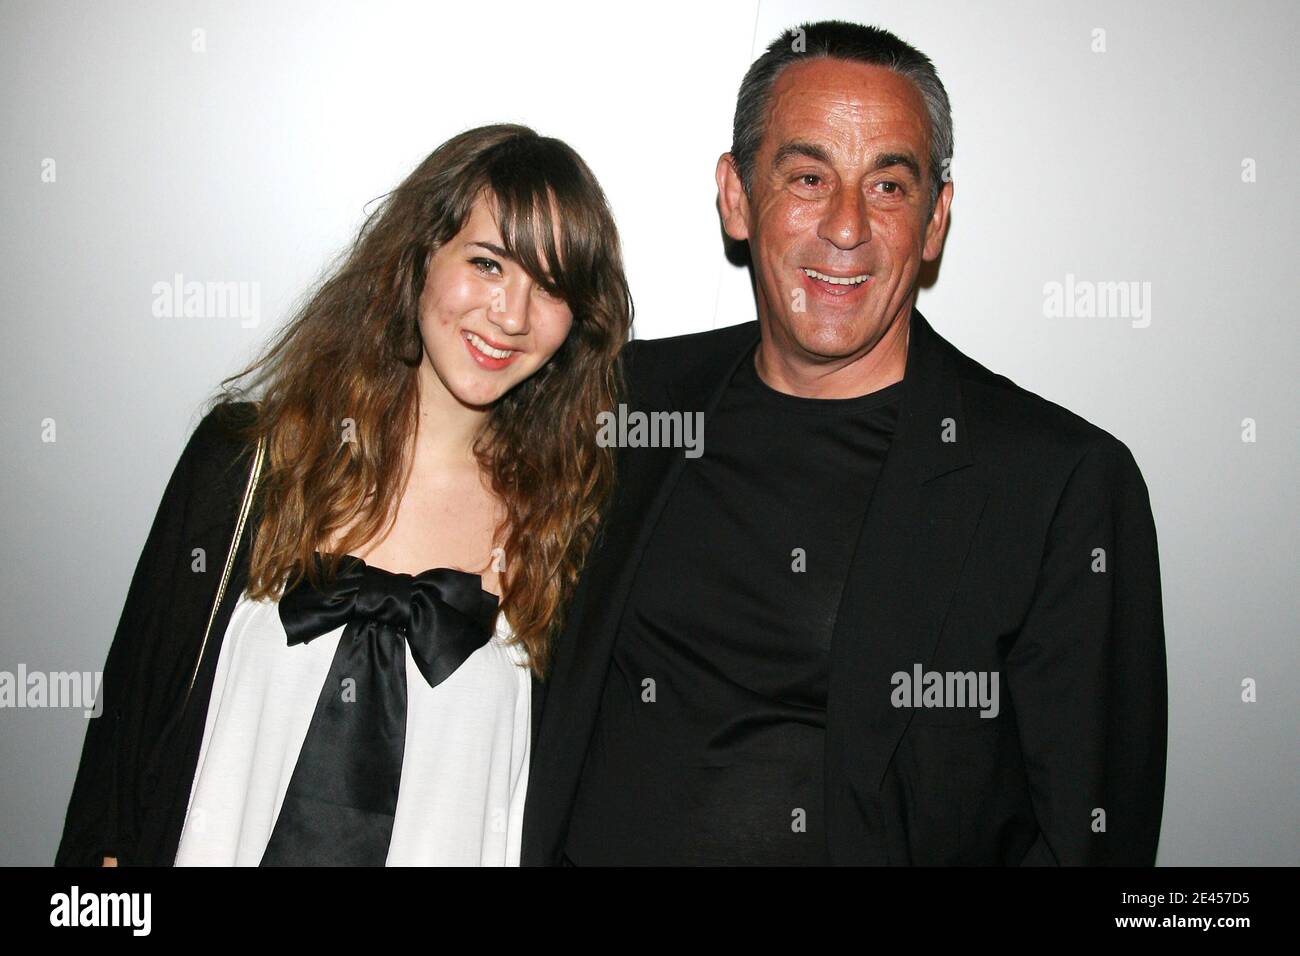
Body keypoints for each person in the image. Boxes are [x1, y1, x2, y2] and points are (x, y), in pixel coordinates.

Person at [523, 21, 1168, 865]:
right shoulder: (617, 403)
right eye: (807, 175)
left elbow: (1092, 840)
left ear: (935, 220)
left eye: (890, 186)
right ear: (736, 195)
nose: (847, 226)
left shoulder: (1056, 483)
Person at [56, 123, 632, 866]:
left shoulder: (571, 532)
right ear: (423, 255)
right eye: (488, 264)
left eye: (550, 288)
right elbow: (124, 740)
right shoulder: (246, 467)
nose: (511, 315)